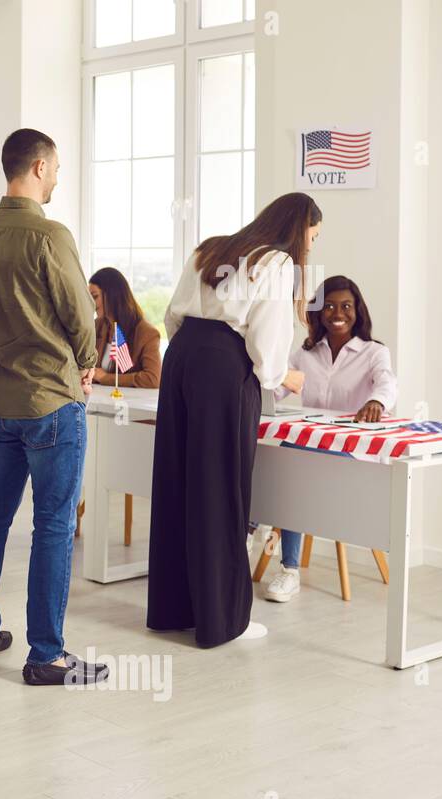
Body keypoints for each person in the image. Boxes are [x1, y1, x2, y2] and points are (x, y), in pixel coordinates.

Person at [0, 128, 109, 687]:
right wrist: (88, 362)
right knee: (52, 524)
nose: (58, 177)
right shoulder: (50, 234)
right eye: (57, 168)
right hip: (51, 399)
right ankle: (46, 653)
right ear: (42, 167)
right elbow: (80, 314)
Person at [147, 191, 320, 645]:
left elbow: (172, 315)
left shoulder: (212, 247)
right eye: (313, 238)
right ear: (298, 230)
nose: (310, 250)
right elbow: (267, 340)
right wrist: (280, 376)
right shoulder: (277, 263)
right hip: (224, 365)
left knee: (177, 481)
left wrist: (193, 354)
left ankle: (174, 609)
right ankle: (221, 619)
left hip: (182, 358)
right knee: (222, 488)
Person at [262, 274, 395, 602]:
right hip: (310, 460)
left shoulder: (374, 353)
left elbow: (387, 384)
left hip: (355, 461)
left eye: (346, 306)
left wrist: (377, 401)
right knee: (286, 461)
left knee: (293, 464)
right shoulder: (305, 354)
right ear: (319, 313)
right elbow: (277, 389)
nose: (338, 313)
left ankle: (257, 532)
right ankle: (288, 569)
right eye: (330, 306)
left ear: (357, 311)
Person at [88, 266, 161, 389]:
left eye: (95, 297)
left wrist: (105, 378)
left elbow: (153, 379)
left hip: (126, 405)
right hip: (96, 401)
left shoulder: (147, 333)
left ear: (113, 296)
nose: (90, 303)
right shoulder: (96, 326)